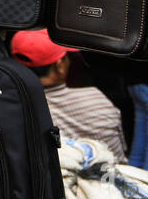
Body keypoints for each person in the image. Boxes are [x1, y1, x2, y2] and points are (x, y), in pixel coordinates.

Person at [11, 29, 128, 161]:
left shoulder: (15, 109)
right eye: (66, 57)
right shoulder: (96, 99)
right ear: (60, 66)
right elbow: (119, 153)